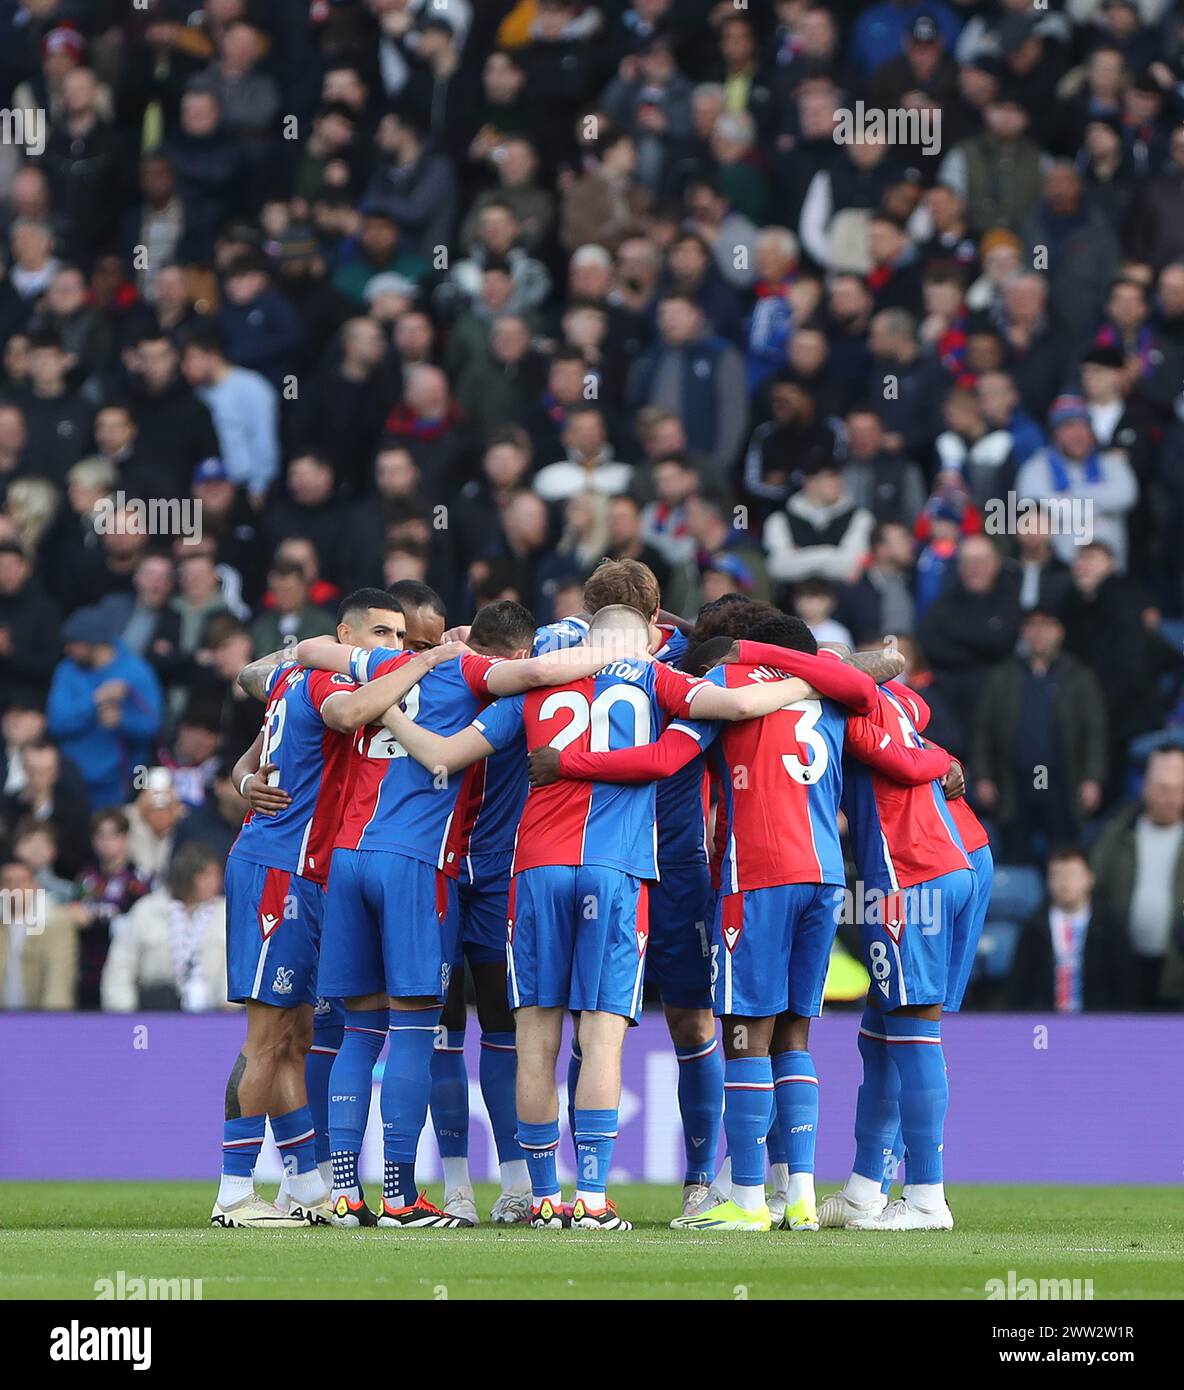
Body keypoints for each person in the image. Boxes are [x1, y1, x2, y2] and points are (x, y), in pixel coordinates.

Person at [381, 605, 818, 1229]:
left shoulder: (540, 684)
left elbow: (447, 756)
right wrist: (815, 676)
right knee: (601, 1038)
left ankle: (539, 1196)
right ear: (641, 640)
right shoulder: (656, 679)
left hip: (535, 870)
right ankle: (589, 1199)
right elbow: (739, 708)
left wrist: (389, 709)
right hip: (616, 873)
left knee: (535, 1040)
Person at [212, 588, 452, 1229]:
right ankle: (233, 1194)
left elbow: (252, 740)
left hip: (309, 873)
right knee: (265, 1039)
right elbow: (348, 717)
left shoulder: (293, 675)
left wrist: (243, 781)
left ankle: (307, 1187)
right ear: (345, 634)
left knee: (297, 1035)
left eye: (402, 638)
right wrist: (424, 664)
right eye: (381, 634)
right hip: (277, 872)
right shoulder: (323, 680)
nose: (393, 648)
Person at [1091, 746, 1184, 1009]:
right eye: (1162, 788)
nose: (1168, 797)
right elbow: (1097, 890)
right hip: (1124, 966)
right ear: (1145, 788)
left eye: (1176, 789)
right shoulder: (1116, 834)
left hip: (1177, 972)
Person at [46, 604, 164, 812]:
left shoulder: (136, 672)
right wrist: (95, 700)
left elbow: (153, 728)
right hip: (71, 781)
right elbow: (57, 723)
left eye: (74, 643)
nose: (68, 649)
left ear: (94, 643)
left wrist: (122, 721)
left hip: (117, 784)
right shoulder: (66, 670)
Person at [1007, 847, 1135, 1011]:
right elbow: (1020, 983)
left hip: (1099, 1023)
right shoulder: (1033, 926)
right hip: (1045, 1025)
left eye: (1072, 875)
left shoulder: (1110, 925)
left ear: (1089, 878)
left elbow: (1124, 982)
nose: (1065, 882)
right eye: (1058, 875)